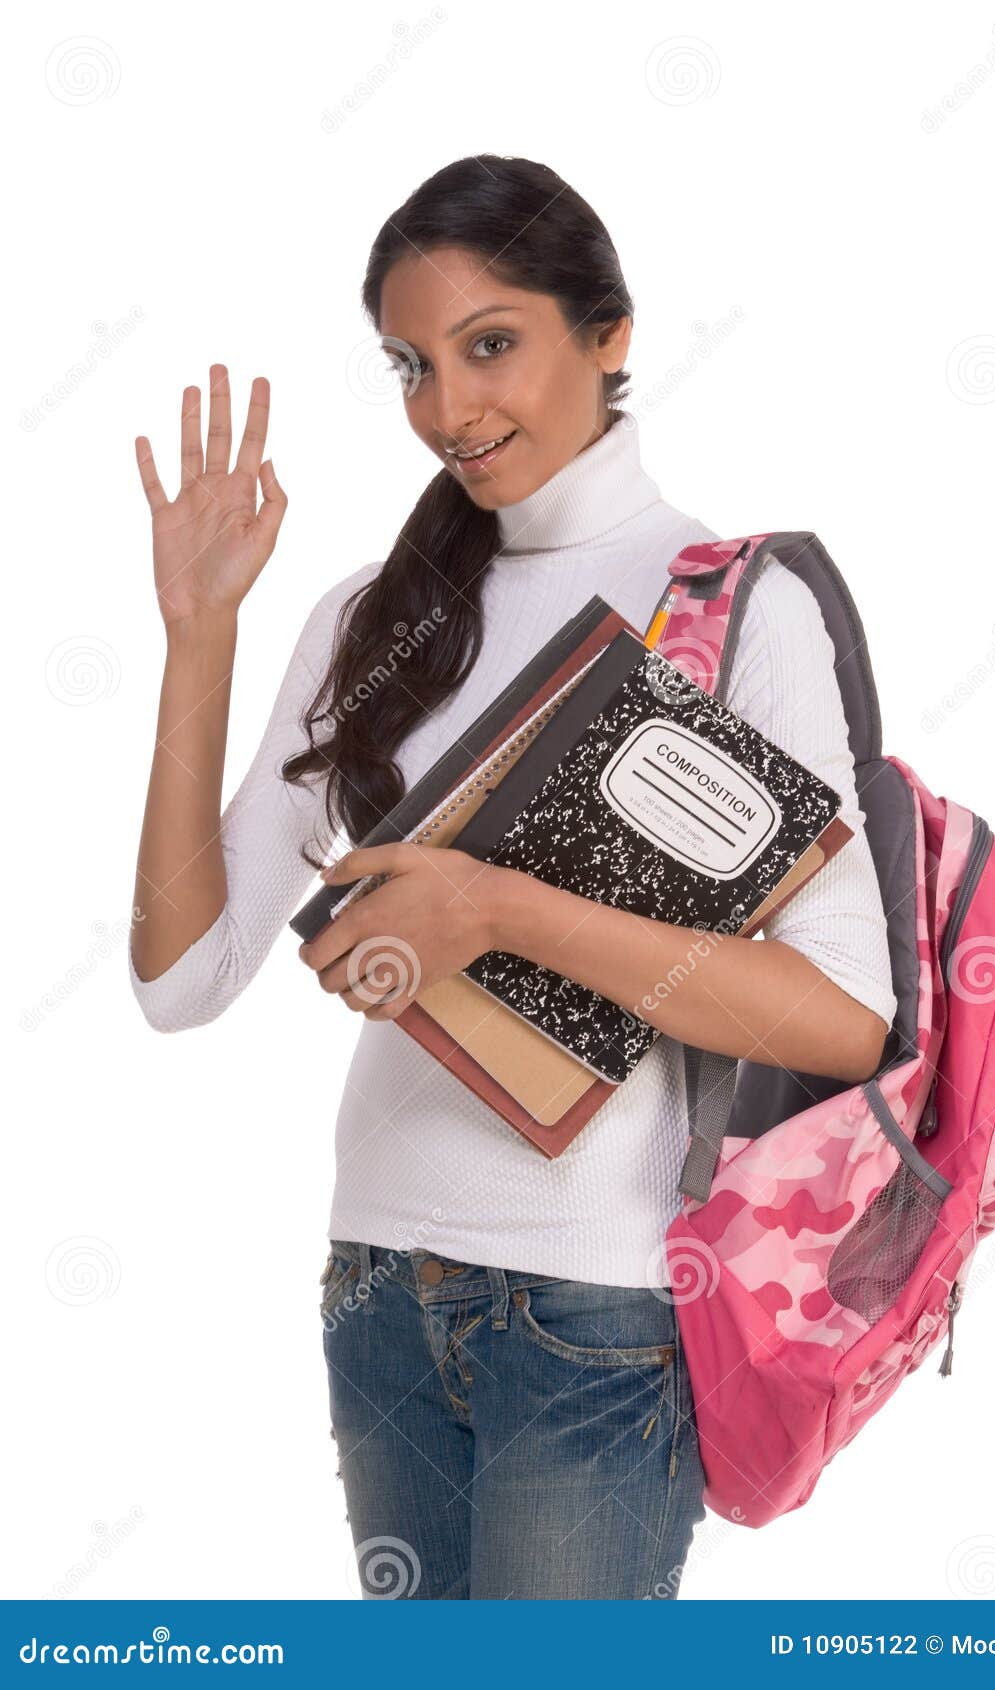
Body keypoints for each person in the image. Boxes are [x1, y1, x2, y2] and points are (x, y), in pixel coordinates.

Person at [129, 154, 896, 1601]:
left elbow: (846, 1018)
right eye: (412, 365)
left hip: (595, 1308)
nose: (448, 410)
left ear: (609, 334)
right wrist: (199, 634)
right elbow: (183, 978)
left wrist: (491, 910)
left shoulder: (732, 606)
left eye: (491, 345)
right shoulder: (372, 617)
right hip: (377, 1283)